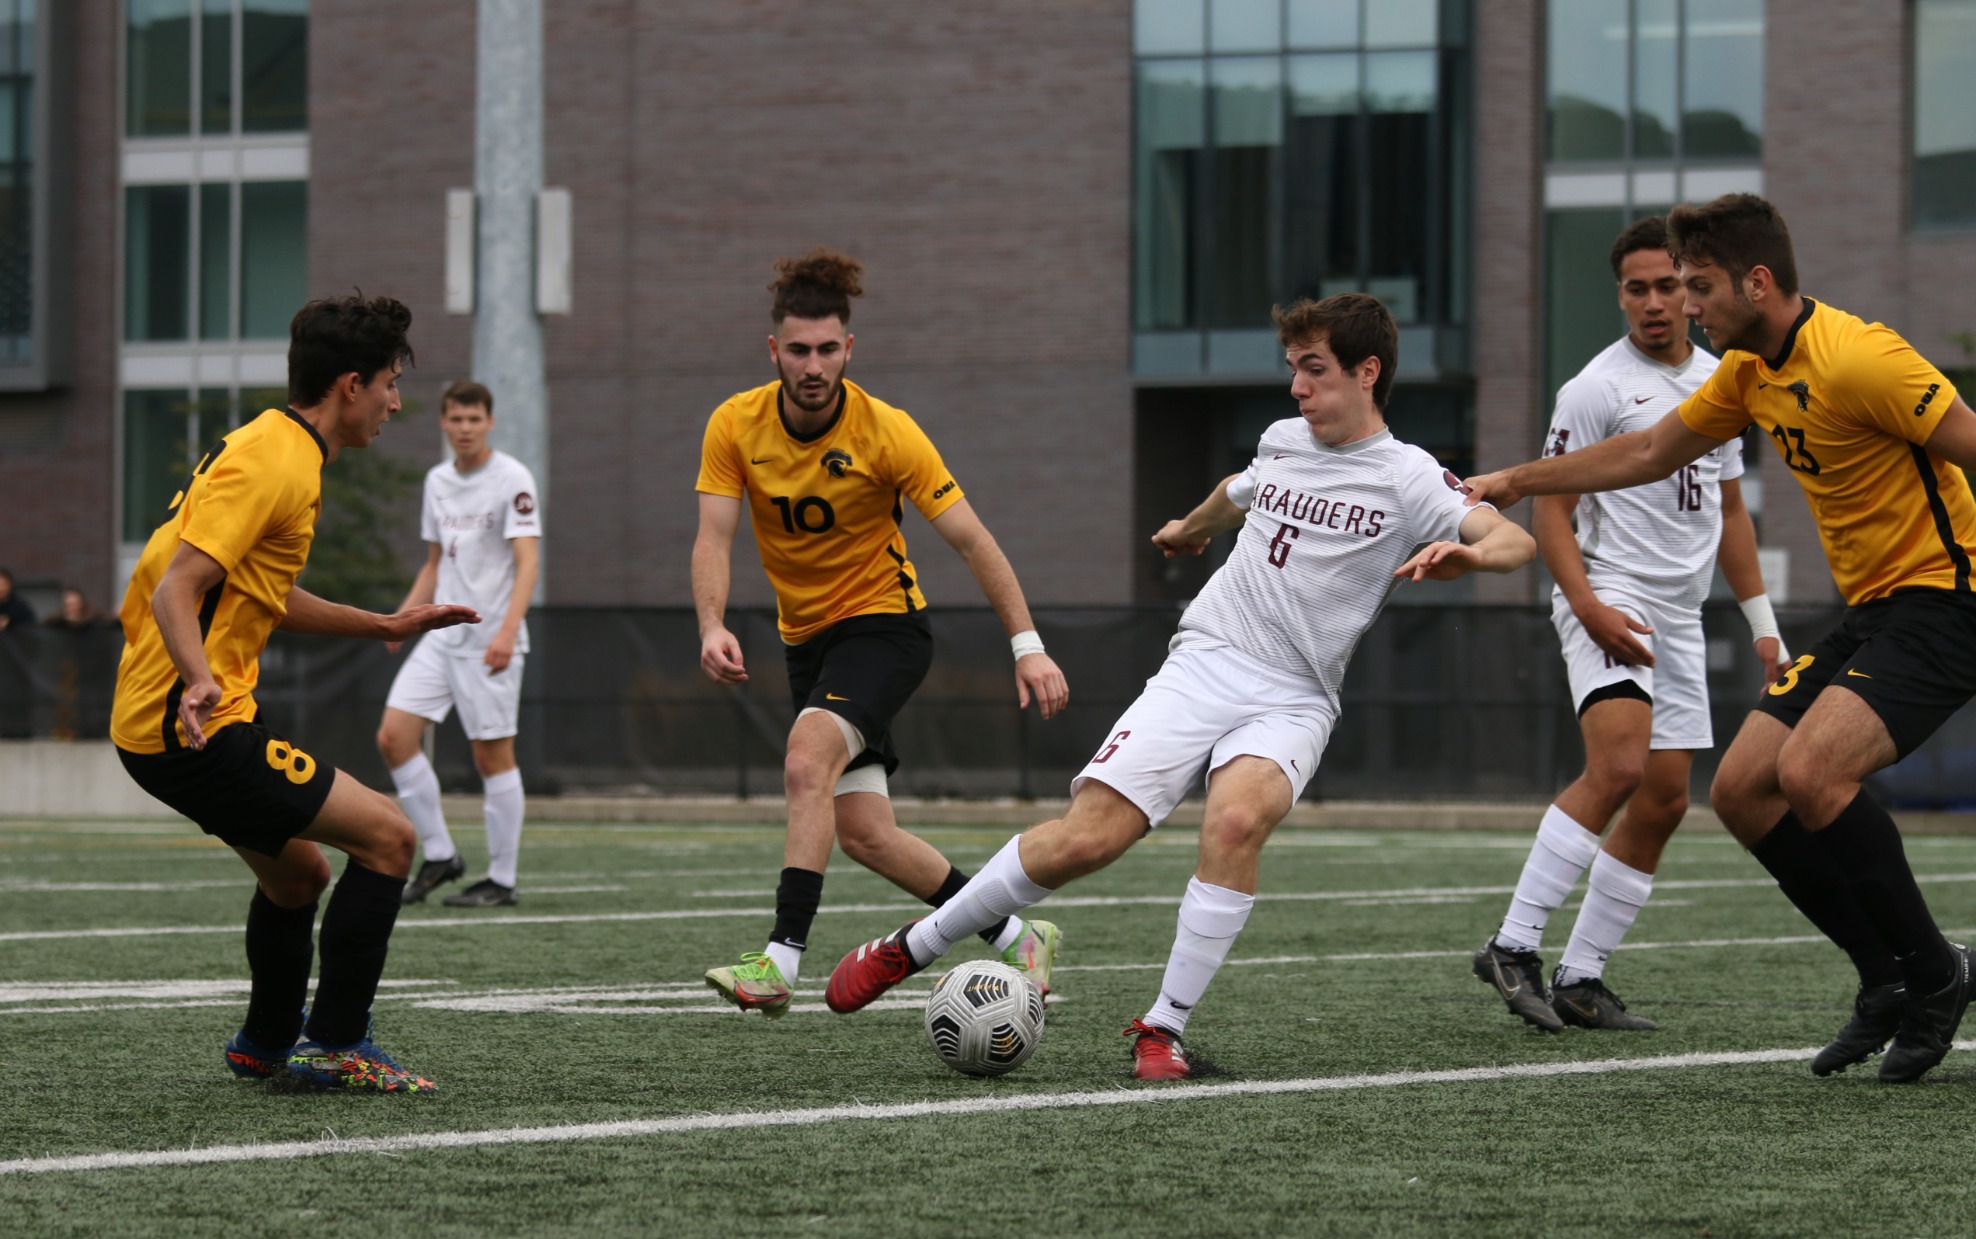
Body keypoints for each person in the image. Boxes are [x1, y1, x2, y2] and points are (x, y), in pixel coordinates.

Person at [823, 293, 1536, 1080]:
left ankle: (1162, 1028)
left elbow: (1512, 537)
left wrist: (1468, 555)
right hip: (1205, 662)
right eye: (1293, 369)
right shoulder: (1282, 440)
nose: (1297, 387)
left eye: (1314, 369)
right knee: (1088, 838)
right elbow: (1241, 488)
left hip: (1294, 696)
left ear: (1367, 372)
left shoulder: (1409, 478)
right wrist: (1192, 527)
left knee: (1234, 825)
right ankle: (908, 948)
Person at [1463, 193, 1976, 1083]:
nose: (1687, 306)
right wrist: (1515, 477)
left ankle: (1938, 971)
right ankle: (1885, 978)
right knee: (1742, 791)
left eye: (1698, 286)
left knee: (1812, 772)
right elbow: (1646, 453)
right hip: (1874, 608)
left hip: (1951, 598)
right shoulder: (1742, 373)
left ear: (1758, 281)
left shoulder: (1863, 357)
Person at [109, 294, 477, 1093]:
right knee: (390, 838)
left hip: (166, 723)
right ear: (350, 384)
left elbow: (258, 591)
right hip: (194, 724)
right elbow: (179, 588)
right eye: (387, 382)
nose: (394, 401)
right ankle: (335, 1042)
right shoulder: (277, 461)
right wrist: (201, 678)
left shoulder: (278, 447)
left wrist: (380, 624)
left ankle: (266, 1042)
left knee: (299, 877)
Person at [692, 249, 1070, 1017]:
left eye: (828, 349)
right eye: (798, 350)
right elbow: (712, 536)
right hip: (807, 644)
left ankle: (778, 959)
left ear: (849, 350)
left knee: (806, 762)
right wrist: (711, 623)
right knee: (866, 833)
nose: (813, 365)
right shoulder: (735, 424)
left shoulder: (887, 431)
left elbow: (973, 539)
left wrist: (1026, 645)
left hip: (885, 628)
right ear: (774, 351)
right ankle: (1019, 937)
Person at [1473, 216, 1787, 1033]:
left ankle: (1583, 977)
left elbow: (1729, 511)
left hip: (1678, 615)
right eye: (1637, 287)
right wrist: (1587, 605)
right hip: (1608, 592)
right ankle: (1511, 944)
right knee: (1615, 768)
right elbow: (1552, 510)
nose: (1655, 302)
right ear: (1619, 294)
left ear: (1692, 288)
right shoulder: (1595, 388)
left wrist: (1762, 625)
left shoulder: (1725, 379)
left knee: (1666, 801)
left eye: (1670, 285)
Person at [376, 380, 542, 908]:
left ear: (489, 423)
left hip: (489, 641)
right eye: (457, 419)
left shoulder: (512, 477)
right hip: (440, 638)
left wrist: (506, 631)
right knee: (393, 738)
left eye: (475, 419)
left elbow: (528, 562)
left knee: (491, 757)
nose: (465, 428)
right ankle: (443, 855)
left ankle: (502, 879)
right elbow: (433, 562)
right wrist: (399, 621)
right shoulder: (437, 480)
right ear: (443, 424)